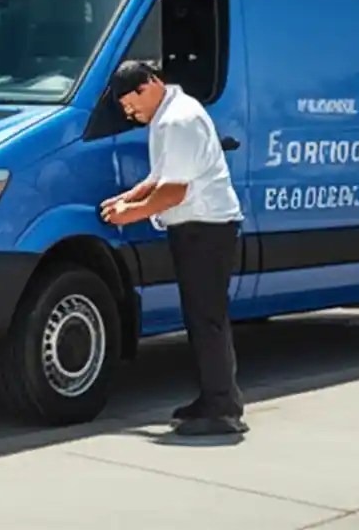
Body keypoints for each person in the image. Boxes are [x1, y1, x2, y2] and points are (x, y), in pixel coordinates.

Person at [100, 60, 247, 436]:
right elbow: (159, 176)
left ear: (149, 85)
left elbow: (174, 191)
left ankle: (221, 409)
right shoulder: (171, 114)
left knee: (206, 317)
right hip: (201, 226)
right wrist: (127, 197)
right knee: (204, 315)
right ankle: (217, 397)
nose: (132, 115)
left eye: (132, 106)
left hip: (205, 227)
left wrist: (128, 214)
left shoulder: (176, 121)